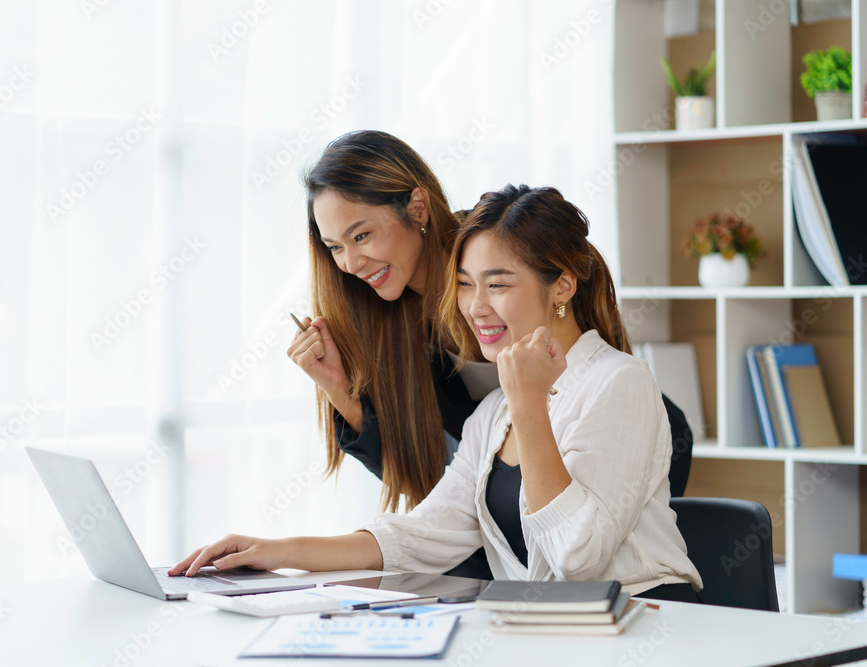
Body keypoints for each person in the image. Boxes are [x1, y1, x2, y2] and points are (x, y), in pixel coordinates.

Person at [171, 185, 703, 601]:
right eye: (467, 284)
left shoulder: (620, 382)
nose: (474, 307)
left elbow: (576, 560)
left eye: (497, 284)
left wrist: (529, 405)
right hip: (555, 635)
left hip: (646, 626)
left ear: (562, 285)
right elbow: (421, 535)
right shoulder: (495, 412)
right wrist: (275, 551)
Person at [287, 130, 497, 515]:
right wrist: (340, 391)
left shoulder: (502, 258)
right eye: (335, 247)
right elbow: (424, 481)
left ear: (418, 208)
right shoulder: (392, 319)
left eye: (362, 235)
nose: (350, 264)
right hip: (482, 546)